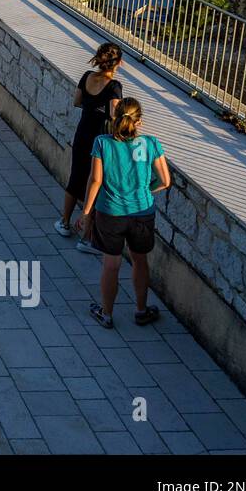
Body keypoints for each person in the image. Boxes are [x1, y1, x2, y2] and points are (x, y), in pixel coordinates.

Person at [80, 98, 171, 330]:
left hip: (110, 212)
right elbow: (165, 181)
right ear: (139, 121)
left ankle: (106, 314)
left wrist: (87, 213)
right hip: (142, 211)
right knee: (140, 261)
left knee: (111, 265)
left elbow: (96, 180)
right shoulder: (151, 143)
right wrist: (144, 191)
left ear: (114, 117)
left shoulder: (102, 143)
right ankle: (141, 311)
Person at [54, 42, 124, 255]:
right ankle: (87, 238)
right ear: (118, 63)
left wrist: (91, 105)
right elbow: (113, 115)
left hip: (82, 132)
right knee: (95, 182)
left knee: (76, 176)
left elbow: (77, 101)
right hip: (99, 138)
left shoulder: (86, 76)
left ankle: (65, 223)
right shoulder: (114, 86)